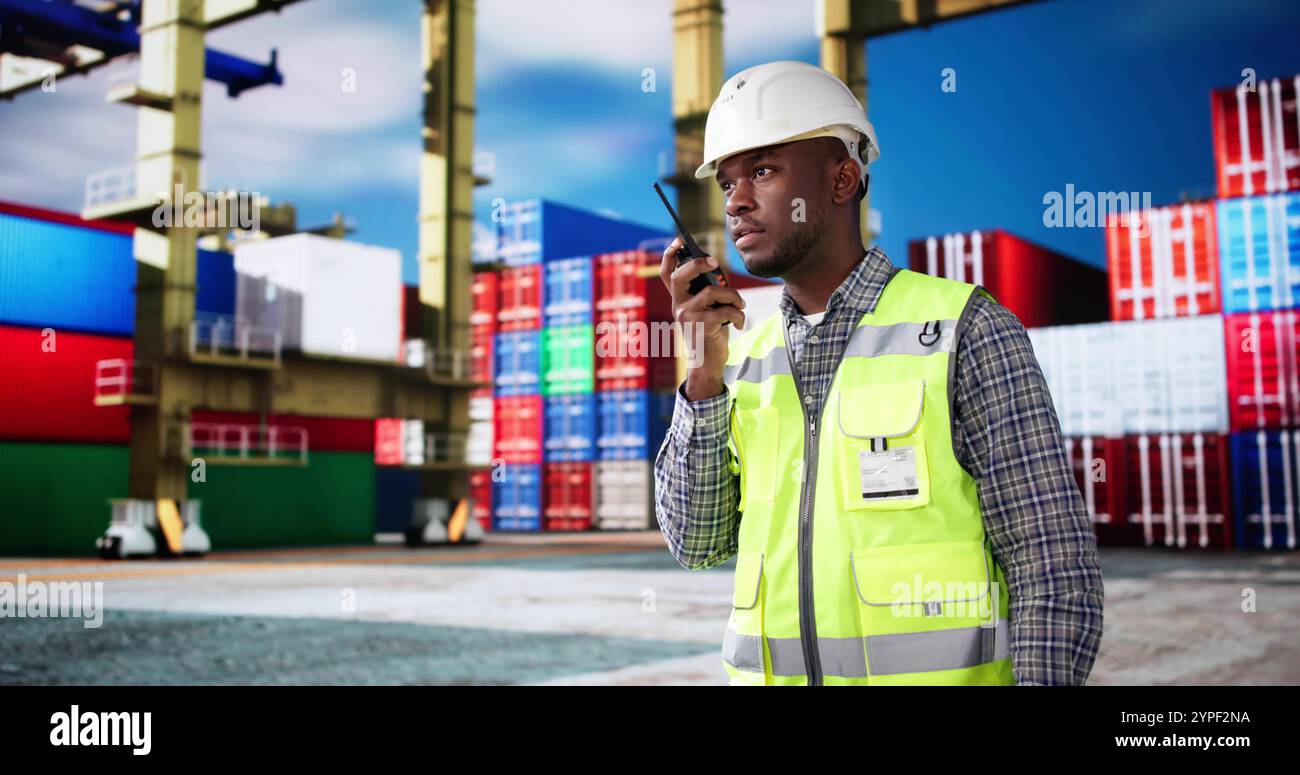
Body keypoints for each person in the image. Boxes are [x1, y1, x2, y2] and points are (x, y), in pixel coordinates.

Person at [653, 60, 1103, 686]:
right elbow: (695, 543)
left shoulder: (963, 329)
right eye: (727, 183)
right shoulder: (742, 360)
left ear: (842, 180)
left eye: (762, 170)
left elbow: (1051, 562)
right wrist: (702, 374)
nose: (738, 202)